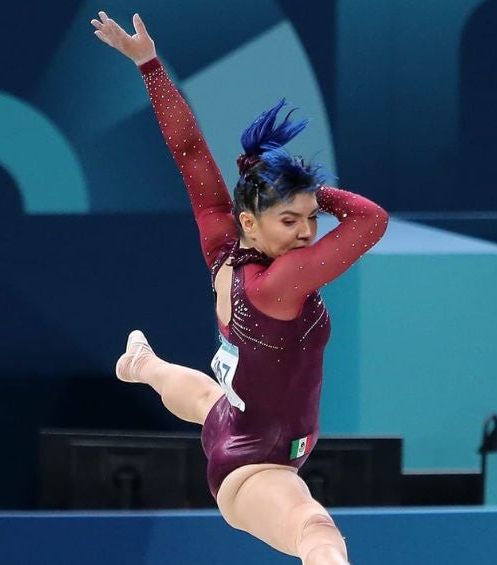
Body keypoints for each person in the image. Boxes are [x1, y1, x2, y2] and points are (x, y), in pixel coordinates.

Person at [91, 11, 388, 565]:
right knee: (315, 529)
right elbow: (372, 222)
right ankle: (144, 367)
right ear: (252, 221)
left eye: (310, 220)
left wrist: (150, 66)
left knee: (211, 401)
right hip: (256, 468)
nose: (305, 233)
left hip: (241, 419)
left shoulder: (224, 246)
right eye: (290, 220)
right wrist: (318, 192)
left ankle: (143, 366)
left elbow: (190, 155)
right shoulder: (281, 283)